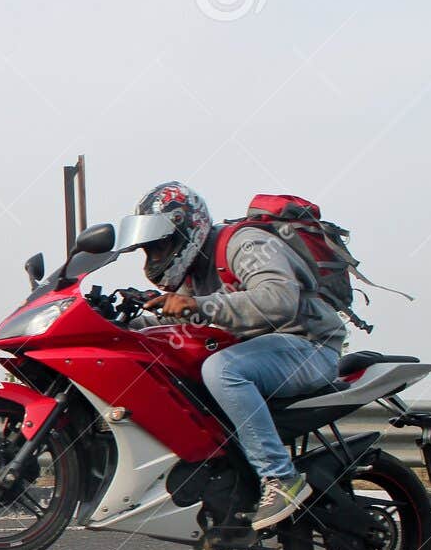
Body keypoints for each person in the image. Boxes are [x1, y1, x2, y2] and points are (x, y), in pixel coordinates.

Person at [122, 181, 346, 530]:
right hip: (261, 353)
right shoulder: (195, 271)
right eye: (150, 249)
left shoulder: (245, 244)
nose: (156, 256)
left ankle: (281, 479)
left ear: (188, 227)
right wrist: (127, 325)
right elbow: (177, 320)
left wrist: (199, 304)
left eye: (161, 245)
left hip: (308, 346)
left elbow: (279, 300)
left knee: (223, 370)